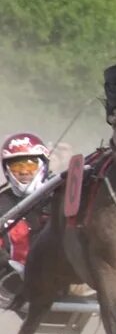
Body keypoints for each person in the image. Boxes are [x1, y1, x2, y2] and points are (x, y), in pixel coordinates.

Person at [0, 132, 51, 312]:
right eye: (17, 166)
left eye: (30, 165)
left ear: (42, 165)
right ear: (7, 170)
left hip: (58, 276)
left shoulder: (60, 197)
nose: (23, 172)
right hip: (11, 282)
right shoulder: (2, 203)